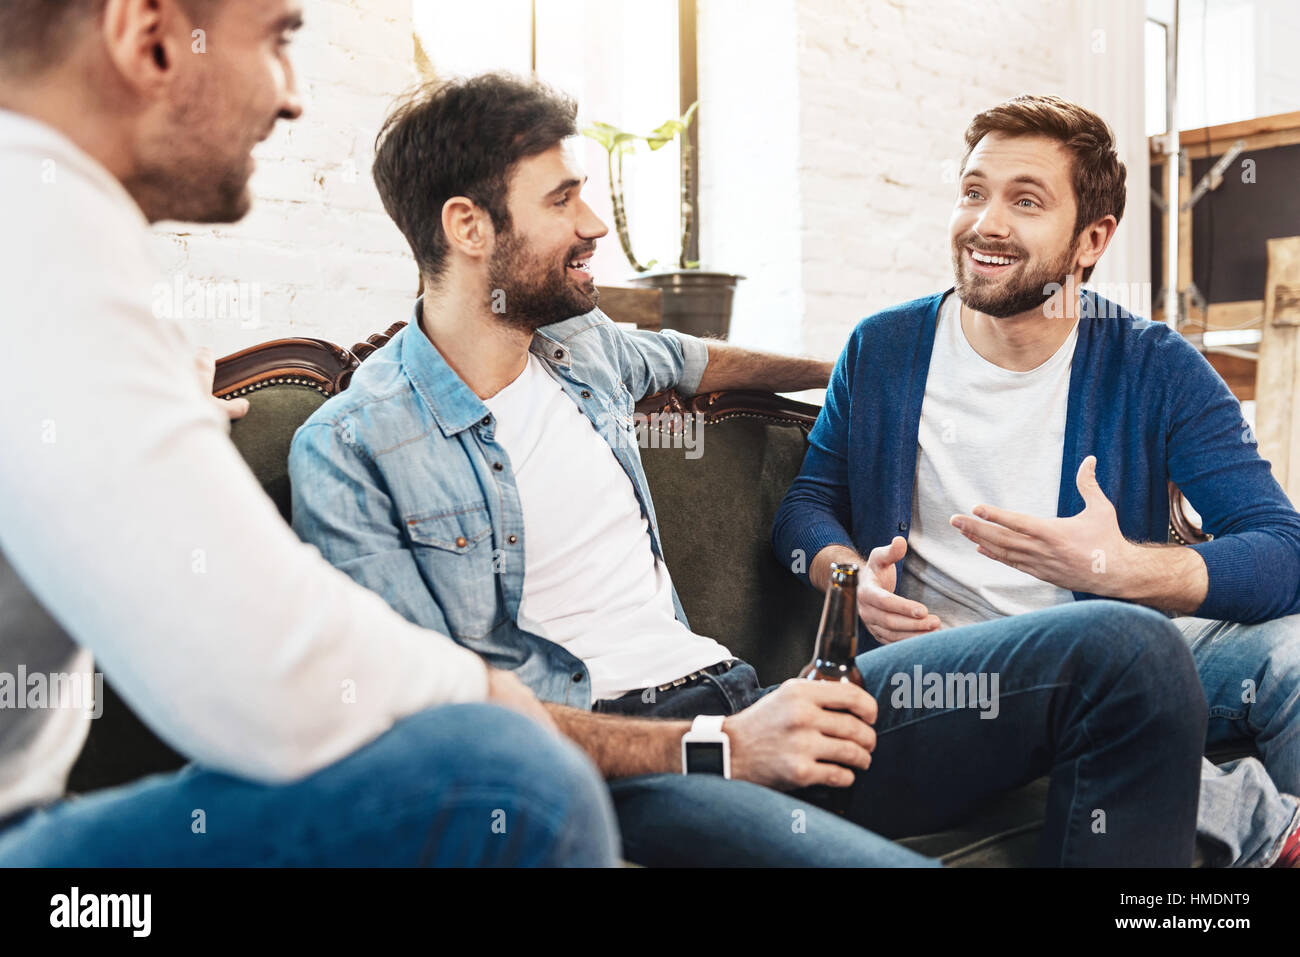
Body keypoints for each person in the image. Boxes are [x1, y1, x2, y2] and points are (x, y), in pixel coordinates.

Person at [289, 71, 1208, 866]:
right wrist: (717, 747)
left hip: (754, 698)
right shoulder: (354, 447)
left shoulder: (581, 351)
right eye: (563, 199)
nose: (596, 223)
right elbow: (432, 725)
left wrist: (851, 369)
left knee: (1132, 653)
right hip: (622, 768)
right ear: (468, 227)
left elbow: (701, 362)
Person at [0, 0, 617, 867]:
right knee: (507, 782)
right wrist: (482, 690)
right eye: (279, 40)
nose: (292, 97)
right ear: (150, 39)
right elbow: (261, 677)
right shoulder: (40, 231)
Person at [772, 93, 1300, 868]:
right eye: (973, 192)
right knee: (1115, 673)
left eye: (1025, 201)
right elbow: (807, 506)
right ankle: (1263, 828)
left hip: (1124, 650)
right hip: (934, 671)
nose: (986, 222)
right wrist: (850, 578)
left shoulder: (1153, 364)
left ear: (1092, 238)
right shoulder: (883, 349)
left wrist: (1123, 568)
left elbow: (1282, 550)